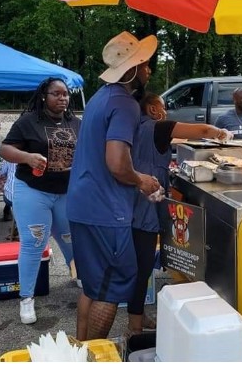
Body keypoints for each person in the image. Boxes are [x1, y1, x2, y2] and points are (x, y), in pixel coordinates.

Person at [67, 31, 163, 341]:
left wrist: (132, 178)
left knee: (93, 284)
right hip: (106, 211)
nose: (148, 69)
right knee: (111, 288)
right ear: (132, 69)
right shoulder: (125, 104)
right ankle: (97, 356)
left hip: (82, 204)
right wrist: (142, 181)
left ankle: (81, 351)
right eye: (144, 64)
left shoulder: (99, 97)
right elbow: (117, 162)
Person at [128, 93, 230, 335]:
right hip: (147, 202)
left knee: (139, 263)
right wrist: (221, 133)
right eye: (162, 108)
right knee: (142, 266)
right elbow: (203, 130)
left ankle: (138, 315)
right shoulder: (158, 126)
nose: (165, 113)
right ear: (153, 109)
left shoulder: (133, 127)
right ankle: (134, 326)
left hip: (131, 199)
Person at [0, 77, 81, 324]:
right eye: (56, 94)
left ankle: (79, 276)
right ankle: (26, 299)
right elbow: (4, 150)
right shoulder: (28, 122)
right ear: (44, 96)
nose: (62, 98)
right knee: (34, 243)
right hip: (33, 191)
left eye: (65, 94)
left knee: (70, 238)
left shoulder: (75, 123)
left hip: (65, 192)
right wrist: (26, 157)